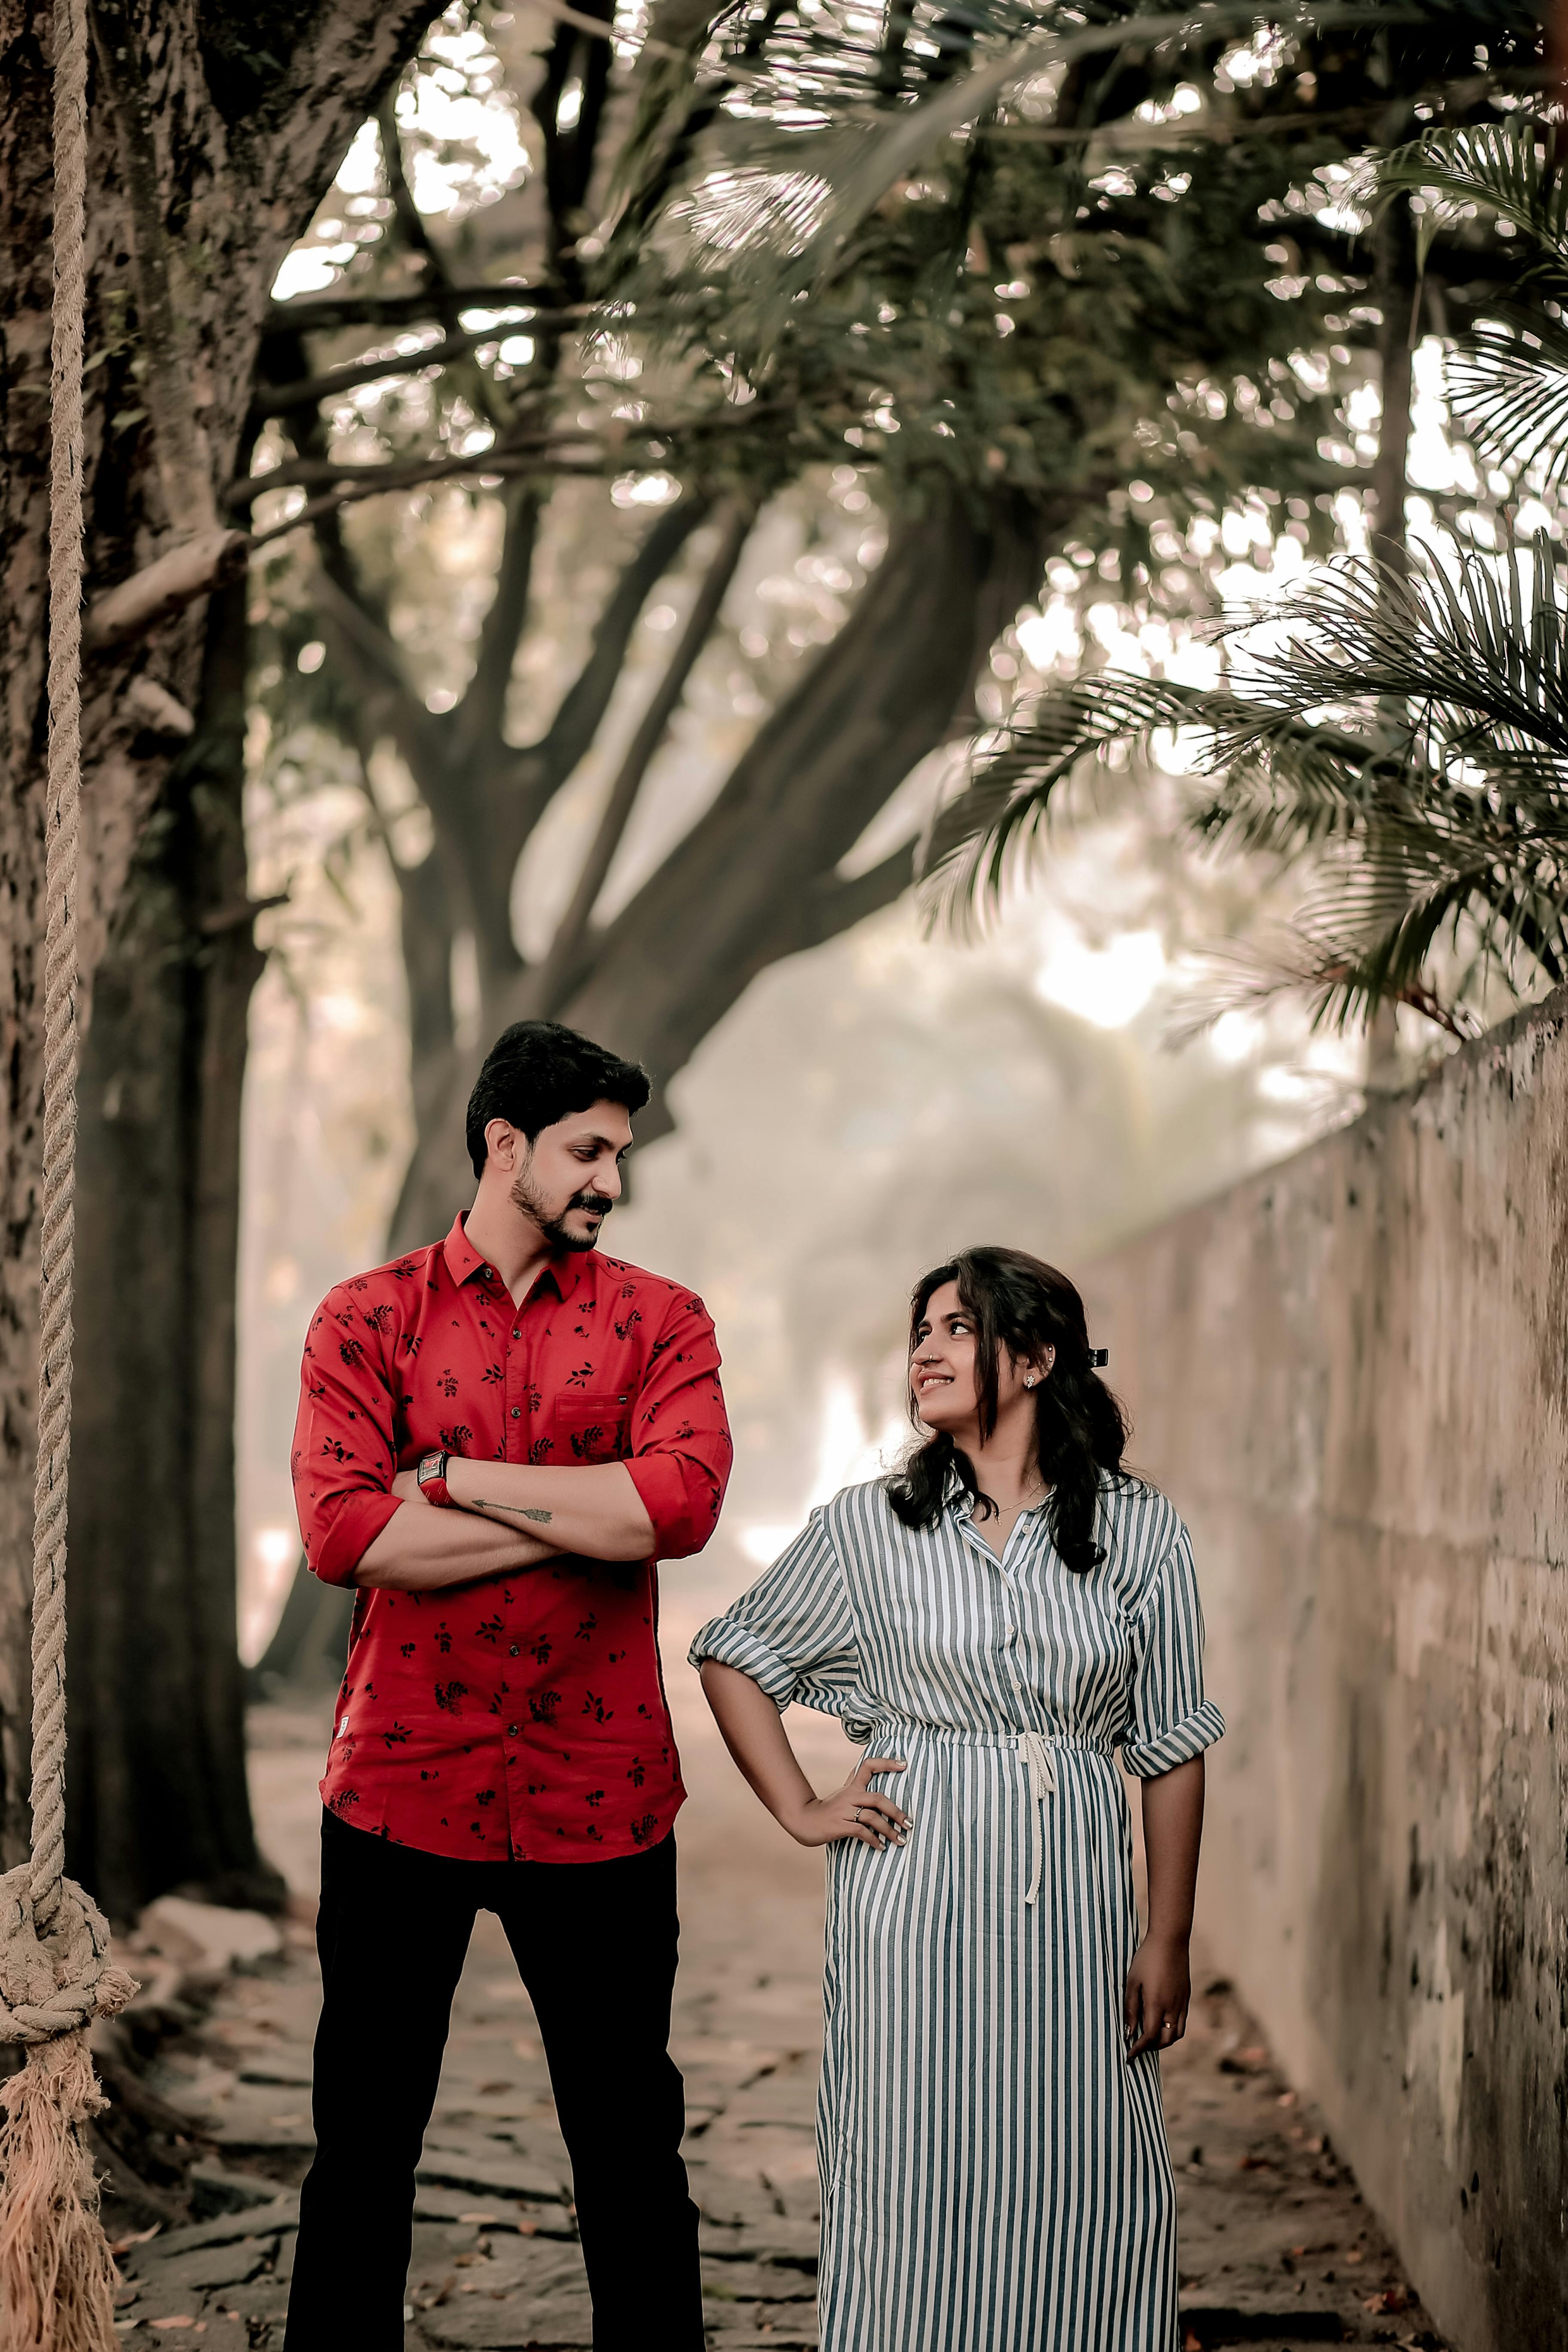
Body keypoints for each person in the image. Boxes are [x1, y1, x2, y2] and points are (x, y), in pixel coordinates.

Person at [284, 1020, 731, 2352]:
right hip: (396, 1790)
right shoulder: (367, 1317)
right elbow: (347, 1538)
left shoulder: (665, 1320)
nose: (612, 1180)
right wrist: (580, 1514)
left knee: (630, 2154)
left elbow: (679, 1506)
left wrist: (460, 1482)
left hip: (602, 1801)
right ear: (504, 1145)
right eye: (589, 1152)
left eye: (618, 1155)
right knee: (362, 2154)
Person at [691, 1246, 1222, 2352]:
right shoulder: (867, 1525)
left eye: (955, 1328)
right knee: (907, 2159)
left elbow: (1172, 1744)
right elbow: (734, 1653)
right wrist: (799, 1806)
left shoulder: (1138, 1532)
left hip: (1072, 1901)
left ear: (1033, 1357)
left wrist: (1166, 1937)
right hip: (910, 1898)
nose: (924, 1351)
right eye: (919, 1331)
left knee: (1086, 2167)